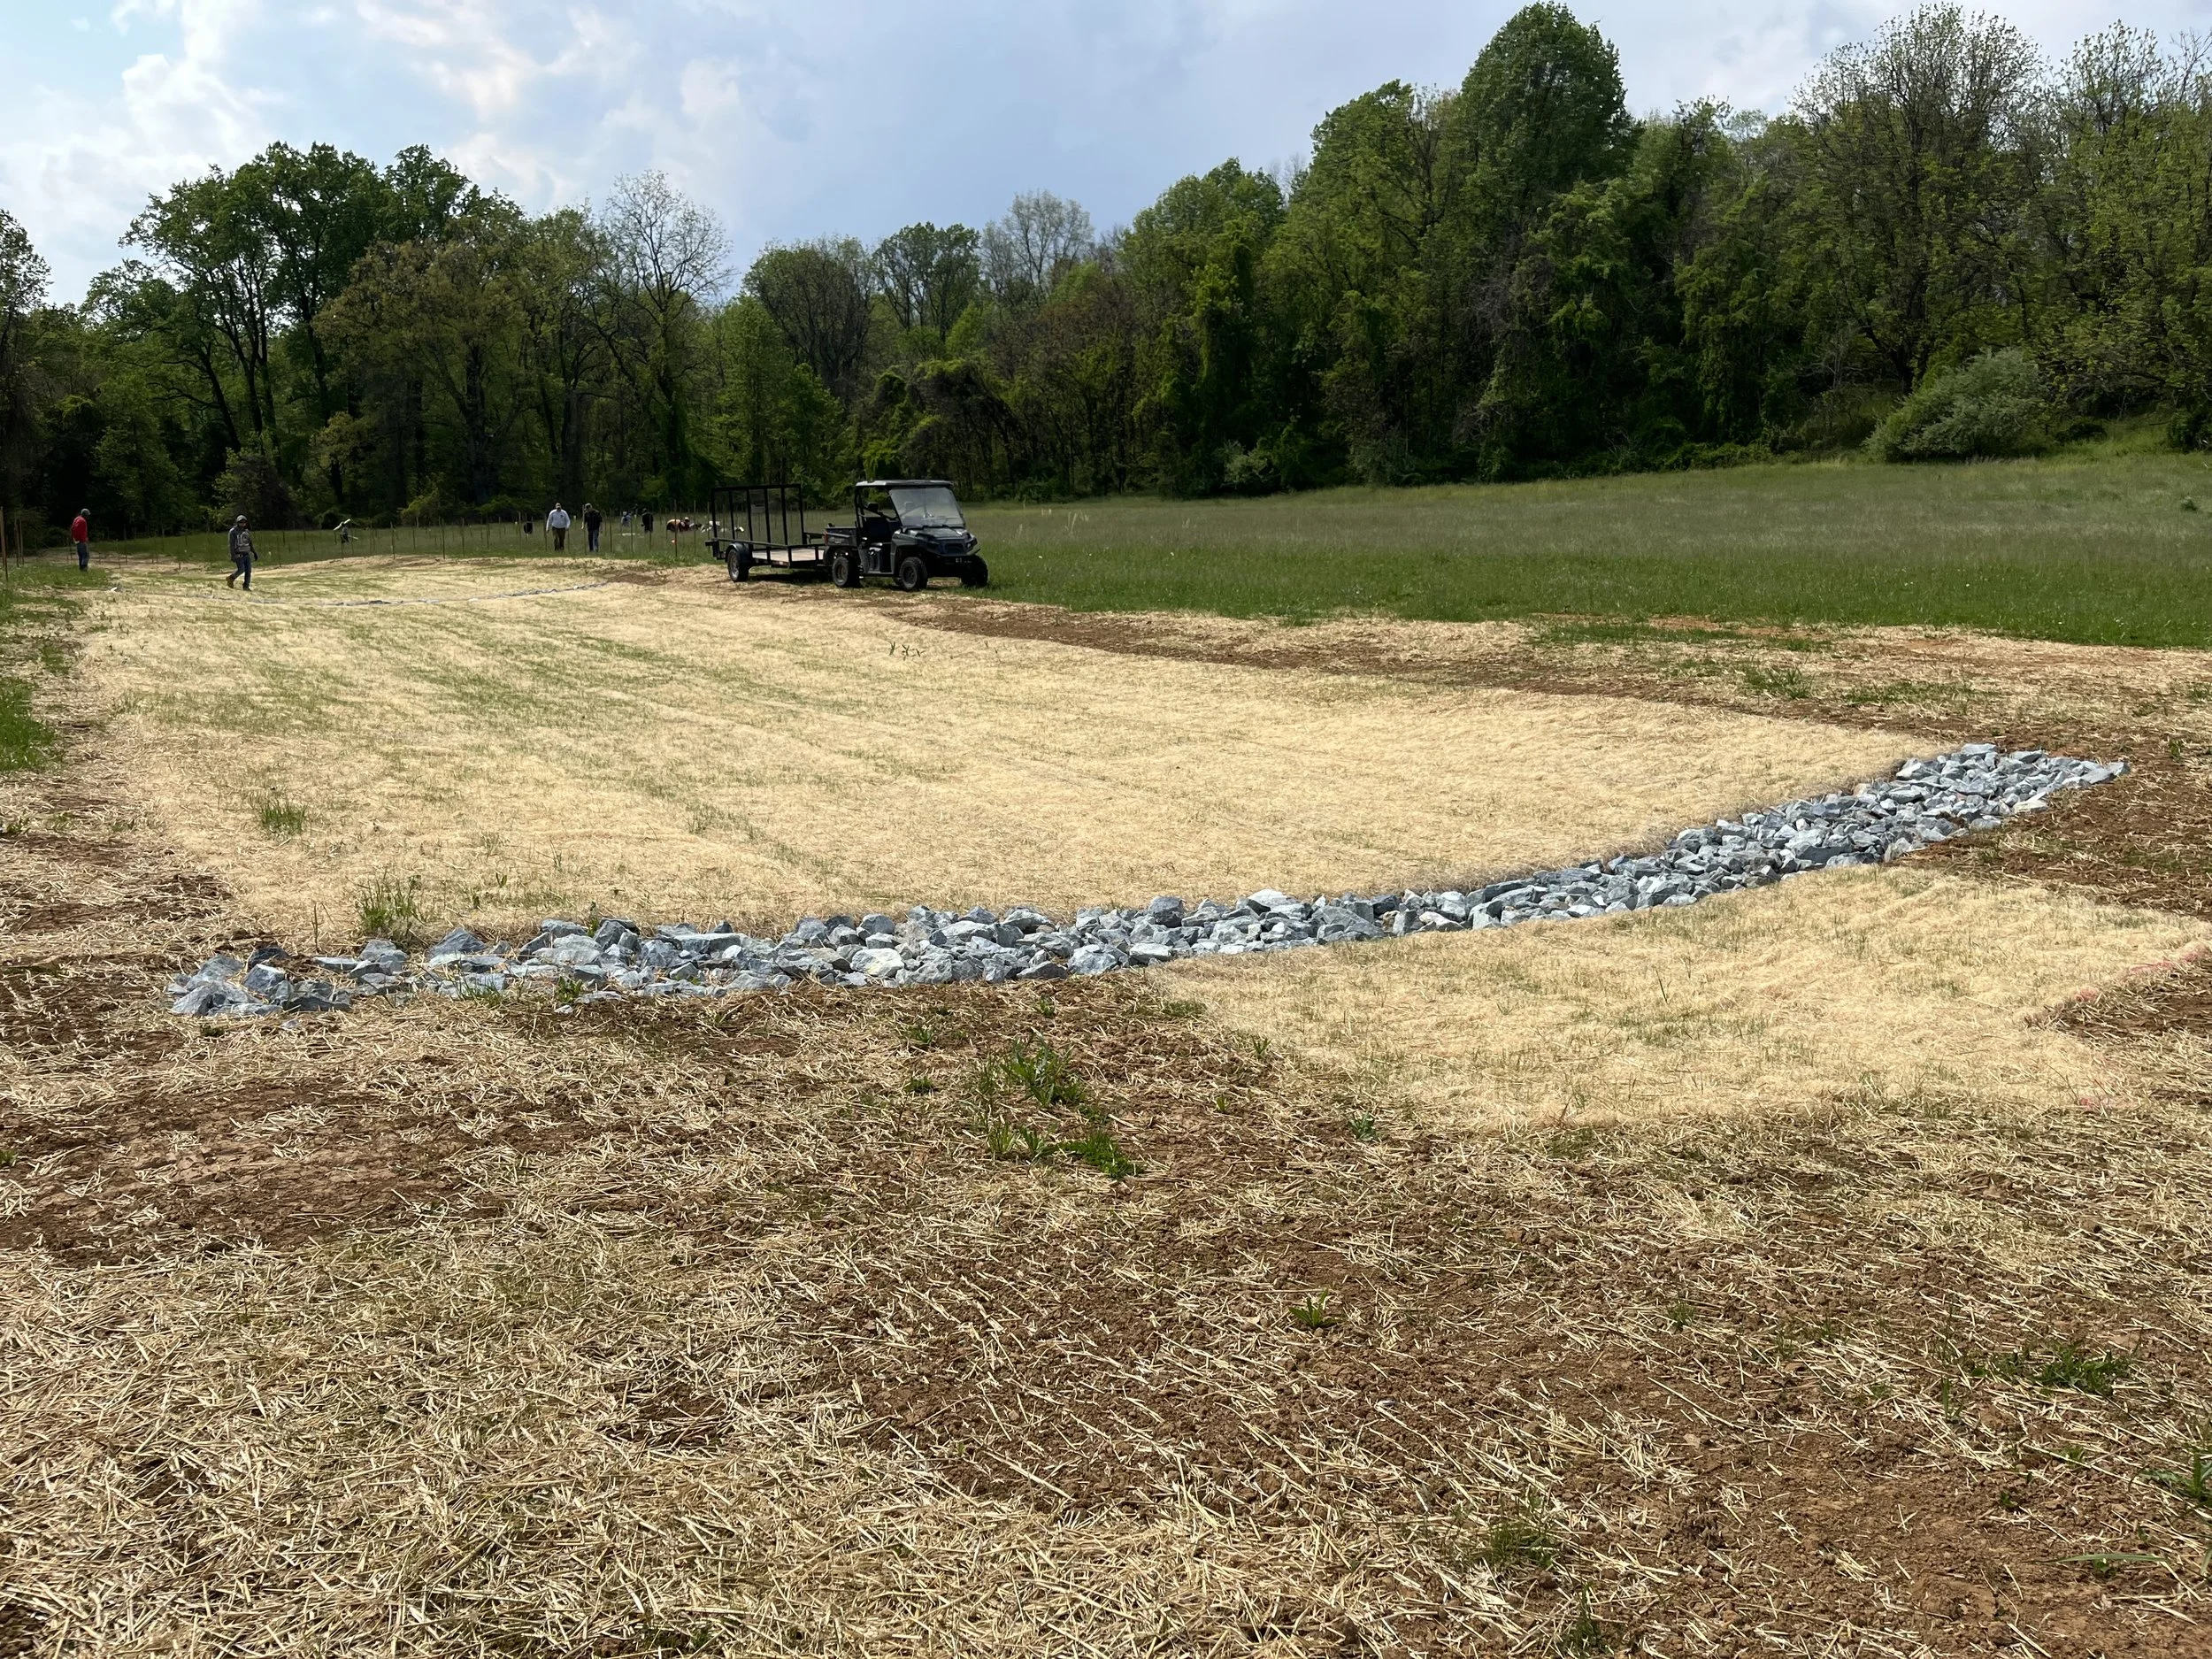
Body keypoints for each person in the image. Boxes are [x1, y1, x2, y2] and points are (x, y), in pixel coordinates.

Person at [225, 516, 255, 590]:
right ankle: (231, 578)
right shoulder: (233, 531)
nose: (243, 524)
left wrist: (254, 552)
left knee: (248, 571)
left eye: (244, 522)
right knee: (241, 569)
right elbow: (231, 544)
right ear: (237, 522)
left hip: (246, 553)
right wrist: (233, 555)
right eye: (241, 522)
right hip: (238, 554)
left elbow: (250, 542)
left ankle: (246, 586)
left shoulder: (246, 531)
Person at [70, 508, 90, 572]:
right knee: (86, 555)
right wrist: (83, 539)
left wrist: (74, 538)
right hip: (81, 541)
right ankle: (84, 568)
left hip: (77, 540)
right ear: (85, 515)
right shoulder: (83, 521)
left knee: (81, 556)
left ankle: (81, 569)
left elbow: (72, 528)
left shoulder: (77, 518)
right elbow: (81, 532)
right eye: (87, 515)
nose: (88, 516)